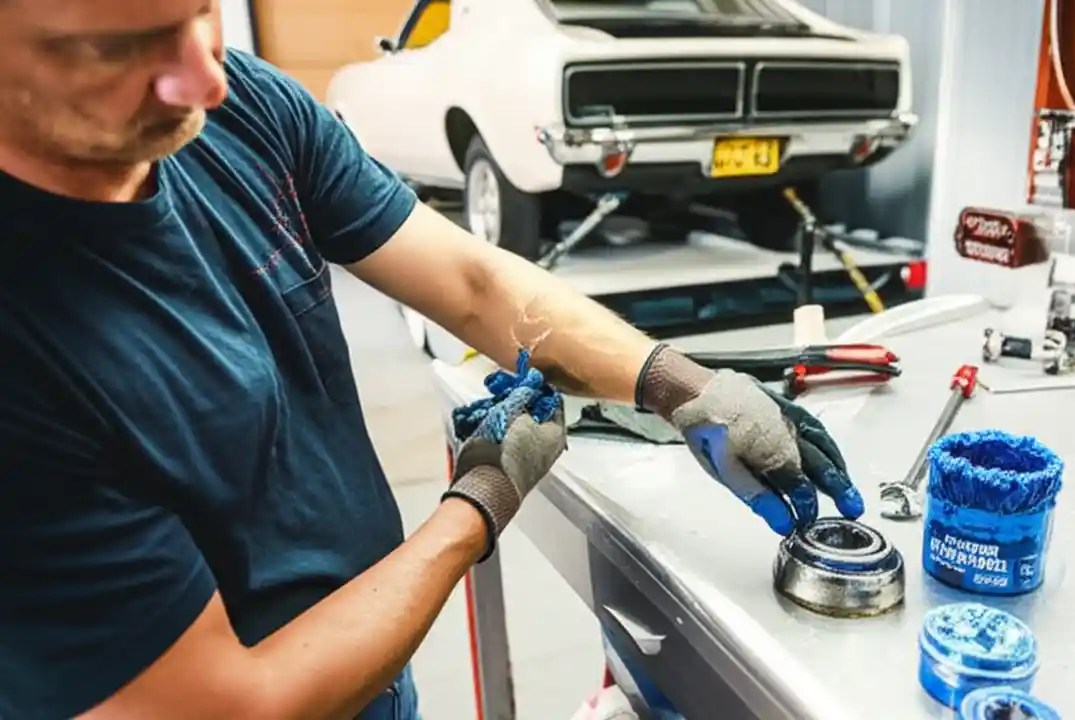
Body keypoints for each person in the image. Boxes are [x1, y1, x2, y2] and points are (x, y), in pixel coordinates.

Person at [0, 1, 865, 718]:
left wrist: (680, 386)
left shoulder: (245, 113)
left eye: (202, 11)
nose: (206, 78)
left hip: (374, 663)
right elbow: (232, 707)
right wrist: (479, 503)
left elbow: (472, 279)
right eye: (117, 47)